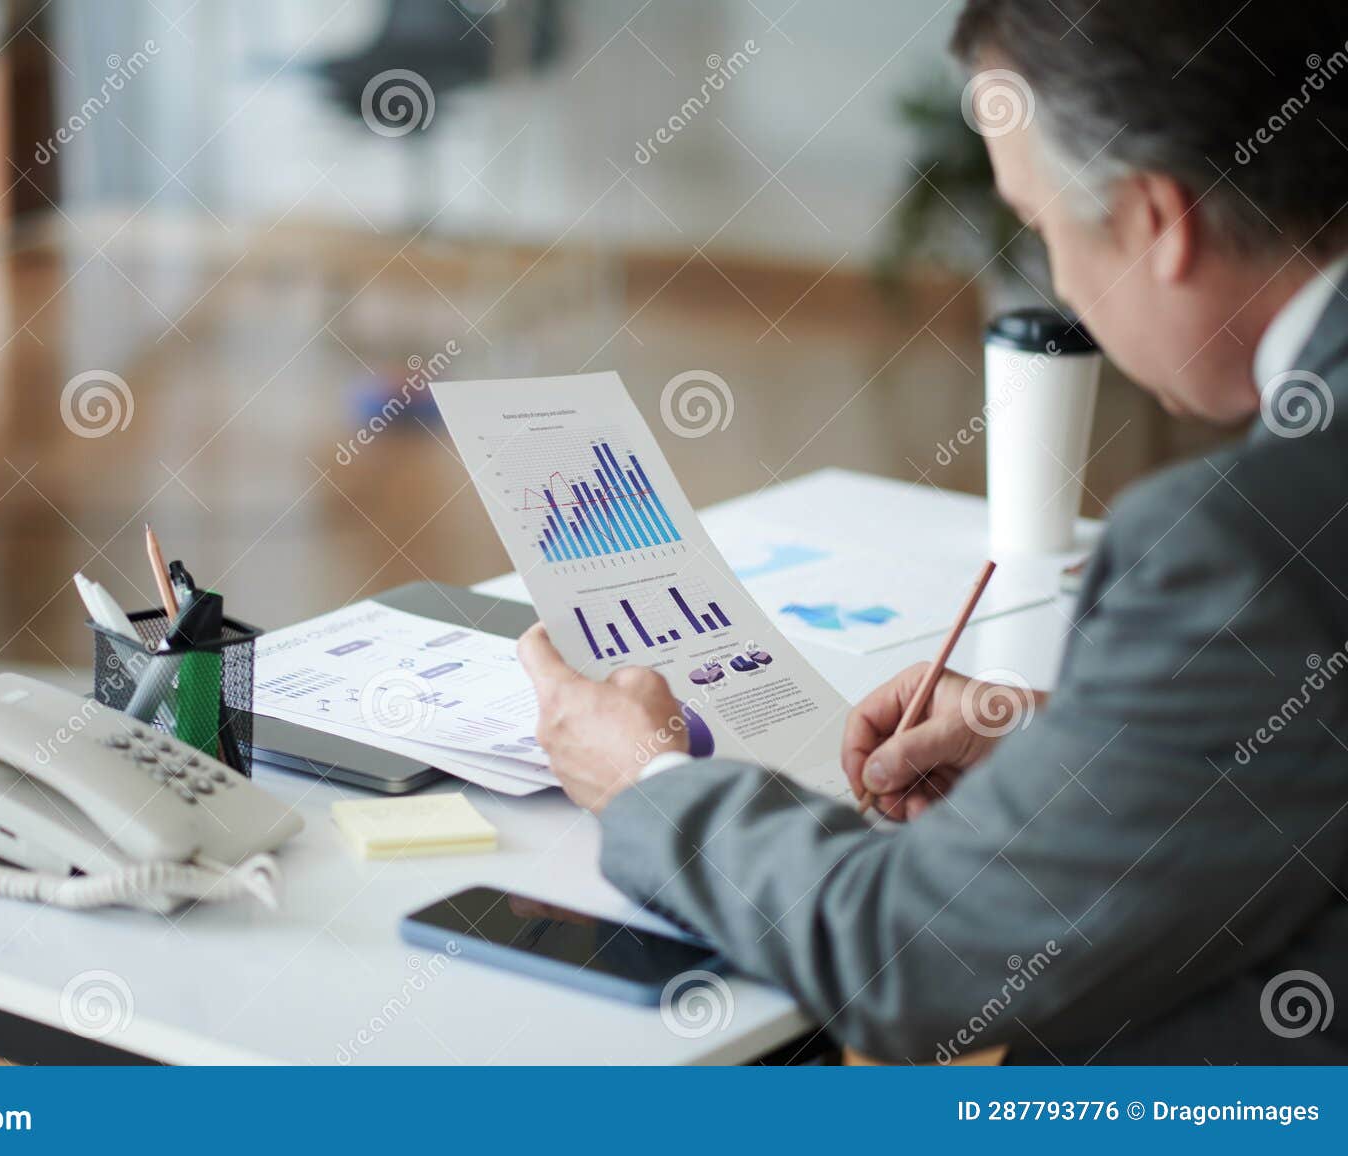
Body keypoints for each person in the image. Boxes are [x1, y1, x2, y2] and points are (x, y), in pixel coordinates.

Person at [516, 0, 1348, 1063]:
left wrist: (643, 779)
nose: (1056, 277)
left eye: (1040, 225)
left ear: (1152, 222)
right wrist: (1094, 747)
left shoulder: (1242, 548)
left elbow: (909, 957)